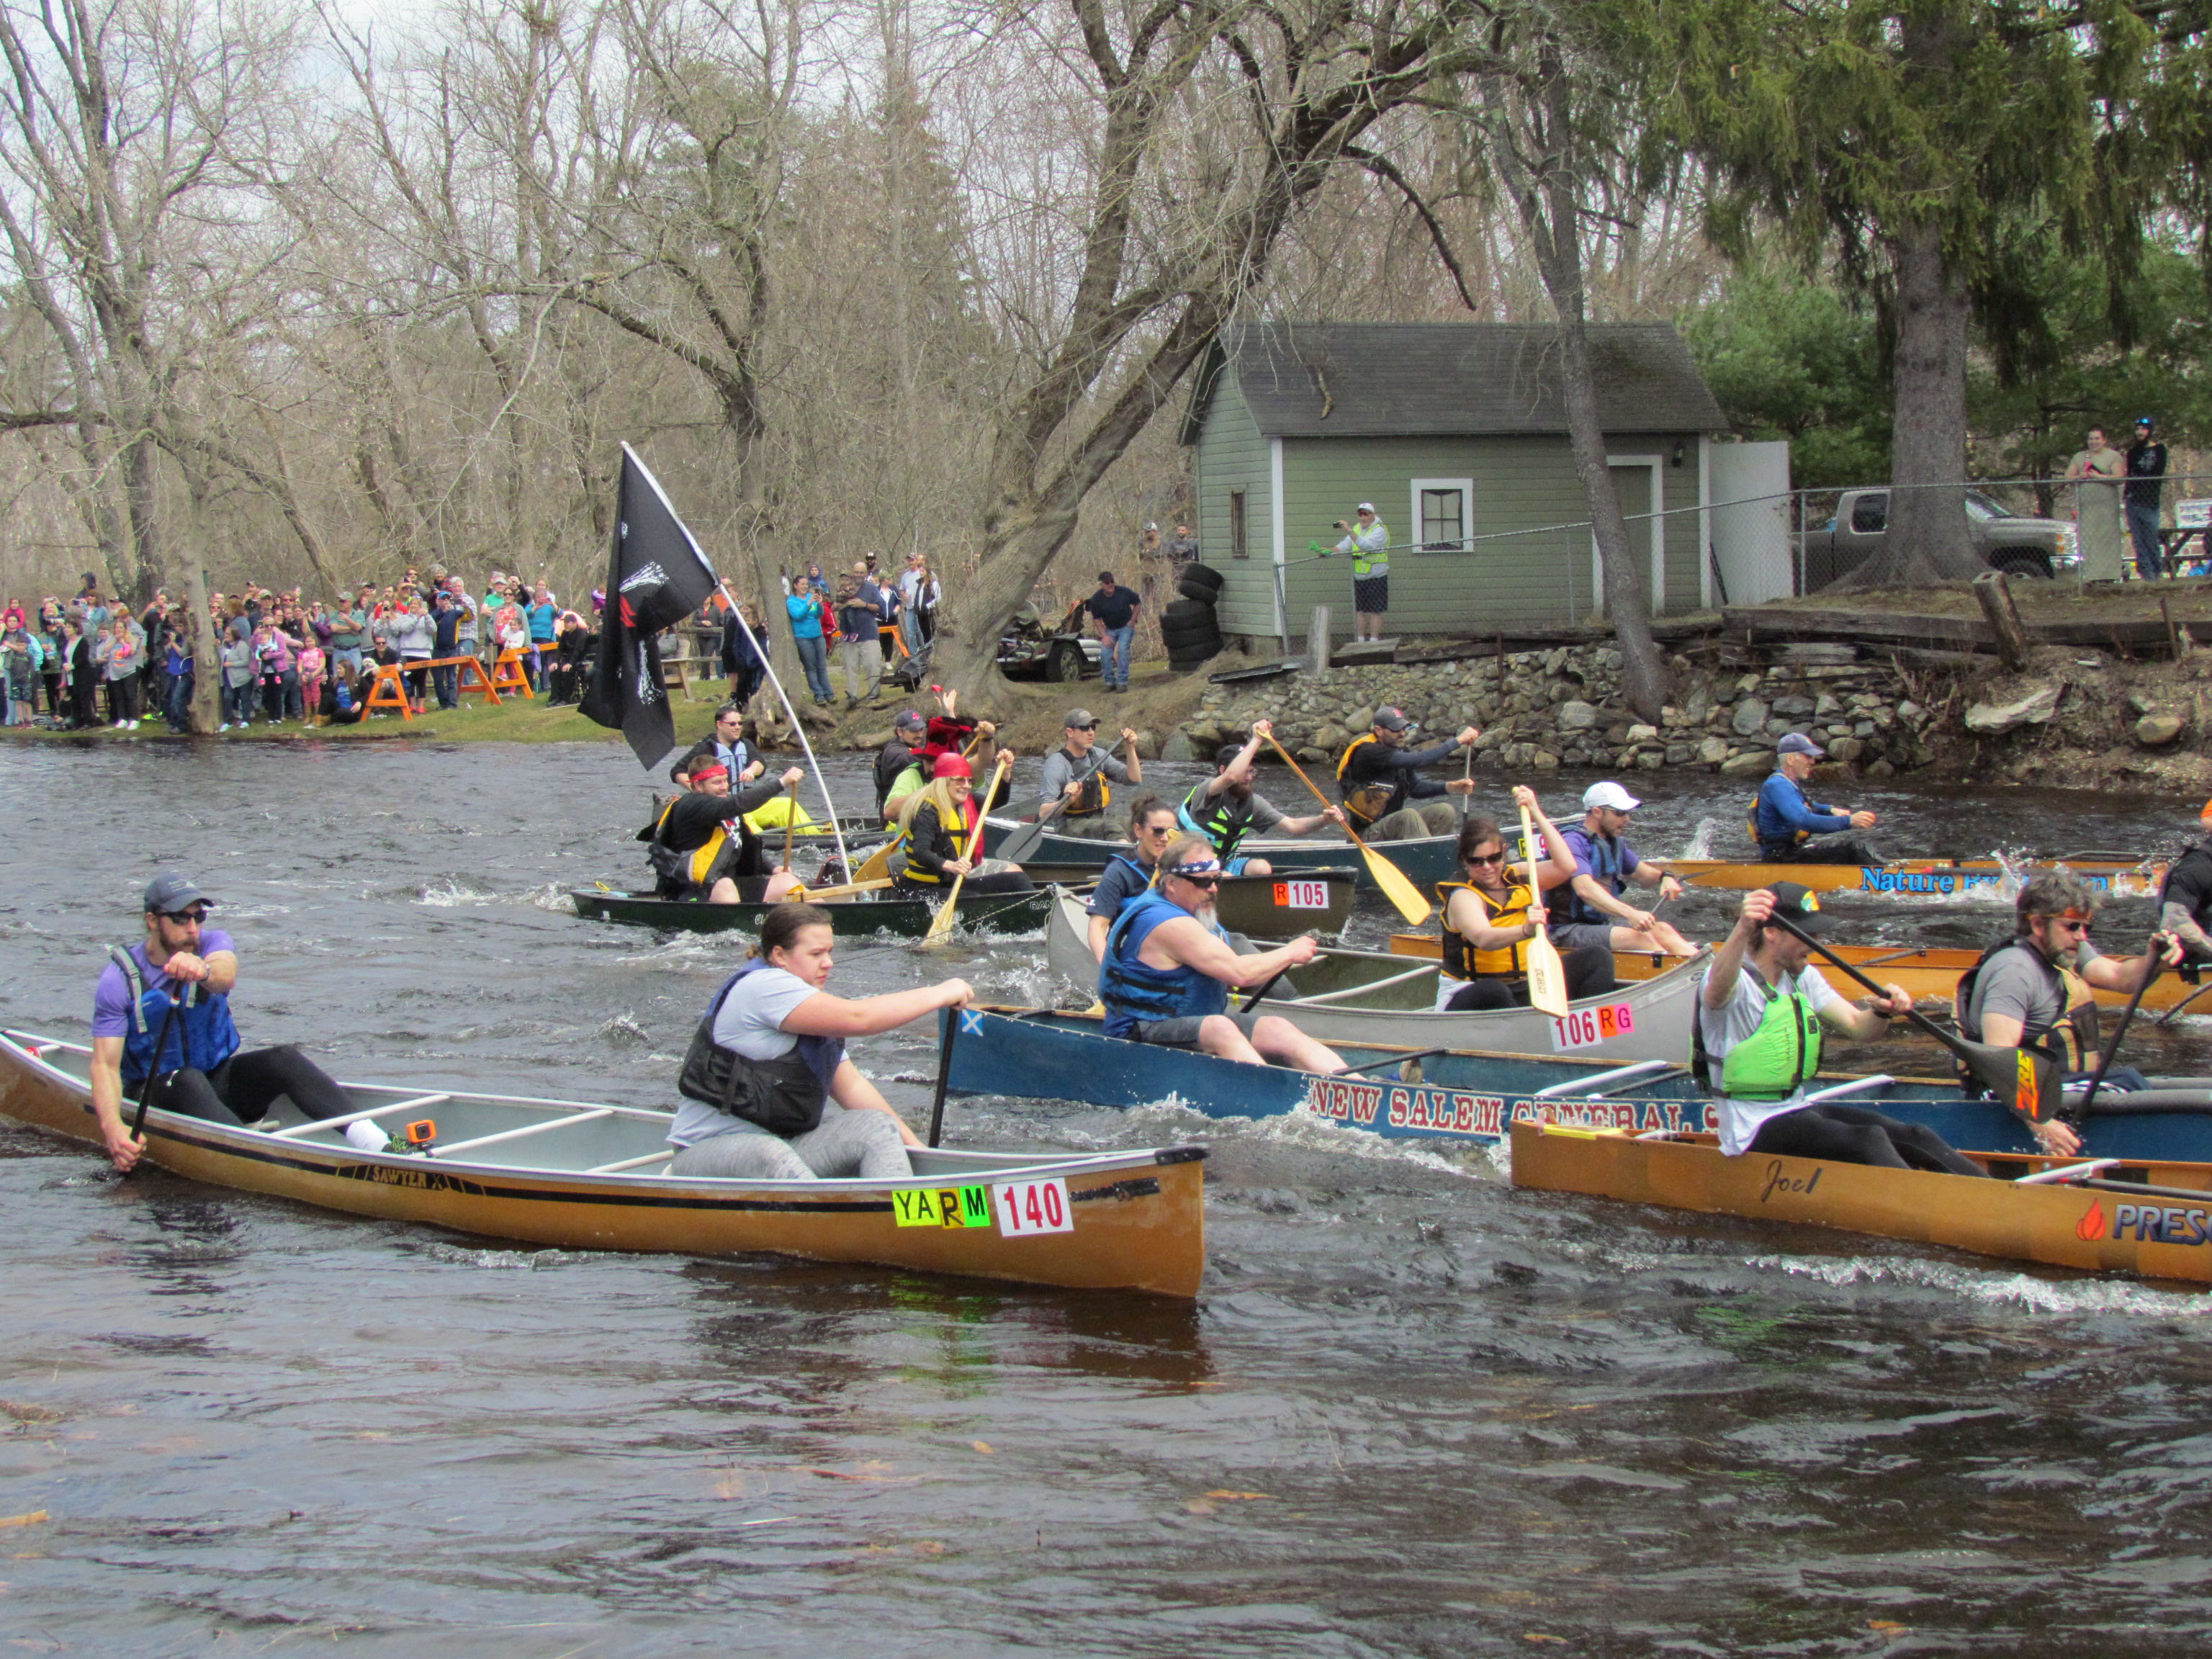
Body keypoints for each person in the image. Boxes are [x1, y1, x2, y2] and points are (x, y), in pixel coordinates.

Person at [666, 904, 968, 1180]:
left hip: (786, 1147)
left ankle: (910, 1217)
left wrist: (925, 1158)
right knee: (769, 1154)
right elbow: (859, 1018)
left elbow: (852, 1089)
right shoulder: (762, 987)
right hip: (708, 1157)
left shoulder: (807, 1003)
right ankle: (854, 1228)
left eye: (830, 952)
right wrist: (940, 992)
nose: (829, 963)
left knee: (875, 1126)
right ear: (780, 955)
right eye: (816, 954)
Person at [1699, 884, 1987, 1174]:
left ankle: (1990, 1197)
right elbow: (1715, 992)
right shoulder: (1731, 979)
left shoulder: (1803, 977)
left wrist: (1880, 1012)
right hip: (1748, 1128)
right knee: (1869, 1140)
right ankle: (1926, 1208)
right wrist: (1743, 928)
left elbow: (1859, 1028)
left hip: (1793, 1108)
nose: (1815, 943)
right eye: (1807, 935)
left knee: (1916, 1136)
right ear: (1771, 932)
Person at [87, 873, 354, 1172]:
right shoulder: (118, 980)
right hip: (154, 1095)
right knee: (187, 1079)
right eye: (180, 918)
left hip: (215, 1086)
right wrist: (113, 1130)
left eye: (198, 917)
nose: (192, 929)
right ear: (152, 921)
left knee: (283, 1058)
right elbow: (104, 1066)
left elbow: (225, 973)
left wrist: (203, 971)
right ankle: (266, 1164)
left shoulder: (213, 943)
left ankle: (380, 1143)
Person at [1956, 871, 2182, 1155]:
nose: (2082, 936)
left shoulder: (2061, 950)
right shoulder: (2014, 973)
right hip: (2002, 1097)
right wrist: (2042, 1126)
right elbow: (1999, 1060)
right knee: (2127, 1085)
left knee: (2130, 1080)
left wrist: (2155, 960)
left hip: (2048, 1085)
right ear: (2038, 924)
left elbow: (2121, 977)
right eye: (2073, 926)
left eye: (2086, 927)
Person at [1098, 834, 1347, 1070]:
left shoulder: (1192, 911)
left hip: (1195, 1018)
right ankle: (1271, 1093)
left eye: (1216, 880)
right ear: (1172, 883)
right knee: (1220, 1028)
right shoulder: (1166, 923)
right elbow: (1240, 974)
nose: (1214, 889)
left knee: (1277, 1027)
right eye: (1203, 882)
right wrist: (1290, 952)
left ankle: (1350, 1086)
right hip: (1140, 1031)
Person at [1437, 791, 1616, 1012]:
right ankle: (1533, 1030)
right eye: (1476, 861)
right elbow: (1484, 938)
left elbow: (1567, 867)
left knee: (1597, 957)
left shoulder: (1519, 874)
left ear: (1503, 852)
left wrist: (1536, 812)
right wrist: (1526, 929)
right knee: (1494, 989)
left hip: (1528, 984)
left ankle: (1587, 1022)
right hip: (1472, 992)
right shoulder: (1463, 896)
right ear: (1464, 860)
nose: (1487, 867)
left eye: (1494, 858)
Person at [1542, 781, 1696, 958]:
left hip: (1598, 928)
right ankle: (1672, 971)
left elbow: (1643, 875)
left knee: (1663, 930)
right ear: (1597, 812)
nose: (1626, 819)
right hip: (1564, 932)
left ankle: (1707, 973)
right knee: (1641, 939)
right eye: (1620, 813)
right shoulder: (1572, 842)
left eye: (1627, 813)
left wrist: (1666, 877)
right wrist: (1631, 914)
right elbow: (1585, 889)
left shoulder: (1613, 842)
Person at [1178, 720, 1344, 873]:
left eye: (1252, 771)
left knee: (1262, 868)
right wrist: (1256, 739)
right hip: (1187, 865)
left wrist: (1324, 820)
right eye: (1244, 772)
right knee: (1225, 876)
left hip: (1222, 865)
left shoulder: (1253, 804)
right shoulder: (1207, 789)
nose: (1249, 778)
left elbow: (1293, 826)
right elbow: (1231, 777)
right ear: (1222, 770)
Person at [641, 761, 807, 904]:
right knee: (725, 885)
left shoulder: (723, 808)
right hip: (693, 892)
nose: (724, 787)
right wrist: (780, 783)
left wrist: (773, 868)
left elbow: (737, 846)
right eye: (717, 783)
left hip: (730, 884)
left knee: (787, 881)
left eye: (725, 781)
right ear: (698, 786)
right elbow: (735, 804)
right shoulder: (693, 805)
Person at [894, 754, 1034, 897]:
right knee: (972, 899)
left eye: (969, 780)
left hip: (952, 881)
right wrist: (952, 865)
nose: (967, 786)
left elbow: (997, 801)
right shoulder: (926, 812)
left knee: (1018, 879)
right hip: (923, 888)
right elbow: (920, 852)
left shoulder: (967, 803)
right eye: (960, 780)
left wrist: (1005, 772)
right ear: (944, 782)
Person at [1335, 707, 1480, 840]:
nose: (1402, 733)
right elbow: (1419, 760)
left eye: (1404, 728)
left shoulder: (1400, 750)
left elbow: (1415, 788)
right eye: (1396, 730)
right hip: (1366, 835)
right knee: (1408, 816)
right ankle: (1428, 860)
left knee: (1444, 811)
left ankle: (1435, 854)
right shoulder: (1369, 752)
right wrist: (1458, 741)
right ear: (1379, 730)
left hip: (1395, 827)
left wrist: (1450, 787)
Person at [1752, 733, 1882, 864]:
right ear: (1790, 759)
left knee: (1857, 850)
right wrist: (1850, 821)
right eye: (1808, 757)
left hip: (1789, 852)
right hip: (1780, 858)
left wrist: (1830, 810)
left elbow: (1803, 805)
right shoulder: (1778, 785)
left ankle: (1889, 869)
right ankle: (1890, 877)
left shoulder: (1785, 783)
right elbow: (1804, 820)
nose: (1812, 761)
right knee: (1854, 850)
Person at [1086, 795, 1182, 959]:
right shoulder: (1120, 870)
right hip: (1131, 953)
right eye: (1158, 831)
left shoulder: (1182, 866)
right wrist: (1107, 968)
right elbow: (1097, 926)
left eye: (1171, 833)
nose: (1165, 838)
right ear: (1138, 831)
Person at [1038, 709, 1142, 840]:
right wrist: (1067, 801)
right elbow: (1043, 812)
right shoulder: (1056, 764)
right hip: (1070, 826)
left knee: (1140, 823)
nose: (1091, 732)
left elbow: (1134, 779)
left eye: (1093, 727)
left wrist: (1130, 748)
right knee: (1112, 827)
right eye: (1084, 728)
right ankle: (1126, 856)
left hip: (1097, 821)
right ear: (1070, 732)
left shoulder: (1098, 755)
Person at [2066, 426, 2126, 582]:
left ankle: (2110, 576)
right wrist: (2080, 476)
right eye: (2091, 439)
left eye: (2097, 438)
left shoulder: (2113, 456)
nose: (2094, 442)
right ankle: (2091, 577)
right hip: (2087, 507)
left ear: (2104, 440)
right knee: (2089, 542)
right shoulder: (2080, 457)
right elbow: (2068, 478)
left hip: (2107, 507)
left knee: (2108, 541)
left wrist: (2099, 477)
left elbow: (2119, 477)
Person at [1324, 502, 1390, 641]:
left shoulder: (1379, 530)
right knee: (1360, 610)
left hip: (1377, 576)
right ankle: (1360, 641)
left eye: (1366, 514)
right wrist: (1327, 552)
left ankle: (1373, 642)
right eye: (1360, 514)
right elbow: (1345, 545)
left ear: (1373, 515)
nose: (1362, 517)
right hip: (1360, 576)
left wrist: (1349, 530)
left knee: (1375, 611)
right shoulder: (1357, 529)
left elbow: (1367, 546)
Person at [835, 561, 887, 707]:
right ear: (853, 573)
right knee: (851, 668)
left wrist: (864, 605)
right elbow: (835, 606)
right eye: (856, 572)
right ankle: (853, 697)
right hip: (849, 635)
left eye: (861, 573)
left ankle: (874, 696)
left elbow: (881, 608)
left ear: (866, 574)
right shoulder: (846, 588)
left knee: (873, 666)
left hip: (868, 634)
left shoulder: (871, 589)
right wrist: (844, 604)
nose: (858, 575)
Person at [2125, 416, 2170, 579]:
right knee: (2138, 541)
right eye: (2137, 429)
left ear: (2149, 431)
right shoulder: (2133, 452)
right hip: (2133, 500)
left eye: (2143, 429)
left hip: (2150, 502)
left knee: (2151, 539)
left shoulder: (2160, 450)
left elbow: (2156, 472)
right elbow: (2131, 474)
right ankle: (2146, 575)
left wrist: (2142, 476)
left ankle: (2157, 572)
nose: (2140, 432)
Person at [1085, 571, 1141, 694]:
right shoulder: (1097, 599)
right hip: (1110, 629)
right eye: (1107, 582)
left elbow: (1138, 602)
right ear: (1101, 584)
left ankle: (1122, 682)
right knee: (1105, 653)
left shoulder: (1124, 592)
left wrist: (1133, 620)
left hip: (1126, 626)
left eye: (1112, 581)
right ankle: (1110, 683)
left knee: (1122, 650)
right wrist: (1104, 636)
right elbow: (1097, 619)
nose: (1110, 584)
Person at [690, 703, 765, 788]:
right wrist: (698, 791)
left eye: (740, 723)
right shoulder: (706, 747)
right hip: (719, 799)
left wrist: (751, 770)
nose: (738, 727)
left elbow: (760, 764)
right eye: (732, 724)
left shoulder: (746, 744)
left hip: (745, 799)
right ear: (719, 725)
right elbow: (679, 771)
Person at [786, 574, 834, 706]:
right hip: (803, 638)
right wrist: (809, 604)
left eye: (806, 584)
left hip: (817, 636)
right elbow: (798, 615)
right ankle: (819, 695)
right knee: (811, 667)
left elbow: (819, 615)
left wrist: (819, 605)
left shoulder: (810, 597)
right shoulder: (792, 601)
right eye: (802, 584)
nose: (805, 587)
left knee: (821, 666)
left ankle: (829, 693)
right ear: (795, 585)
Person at [874, 709, 931, 820]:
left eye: (921, 730)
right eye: (914, 731)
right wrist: (934, 758)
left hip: (917, 812)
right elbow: (912, 759)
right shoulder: (894, 752)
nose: (919, 734)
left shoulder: (917, 746)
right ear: (900, 732)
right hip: (894, 820)